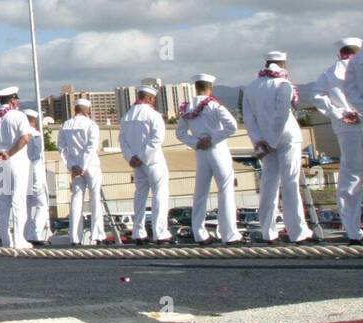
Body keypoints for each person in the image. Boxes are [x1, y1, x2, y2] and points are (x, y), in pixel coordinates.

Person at [243, 52, 313, 244]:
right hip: (286, 137)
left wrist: (259, 141)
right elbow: (282, 114)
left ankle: (268, 232)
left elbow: (249, 119)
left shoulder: (250, 88)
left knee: (268, 185)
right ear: (283, 64)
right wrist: (272, 140)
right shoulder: (284, 84)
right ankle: (297, 232)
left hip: (265, 141)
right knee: (290, 184)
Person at [176, 74, 242, 245]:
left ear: (195, 87)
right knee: (225, 190)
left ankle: (199, 233)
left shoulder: (187, 108)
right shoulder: (213, 105)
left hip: (200, 151)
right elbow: (232, 126)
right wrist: (212, 139)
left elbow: (180, 133)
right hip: (217, 149)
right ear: (210, 88)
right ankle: (229, 234)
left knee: (200, 193)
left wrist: (197, 142)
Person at [316, 38, 363, 244]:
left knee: (350, 178)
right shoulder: (362, 67)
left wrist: (340, 113)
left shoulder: (329, 73)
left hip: (347, 129)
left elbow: (318, 96)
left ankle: (353, 231)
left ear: (339, 53)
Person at [0, 87, 33, 249]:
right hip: (16, 160)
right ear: (12, 100)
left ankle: (5, 240)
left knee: (2, 202)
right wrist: (9, 153)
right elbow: (25, 137)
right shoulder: (18, 116)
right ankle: (19, 239)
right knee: (18, 200)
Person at [120, 84, 171, 244]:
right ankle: (160, 233)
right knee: (160, 195)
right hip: (153, 161)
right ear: (149, 98)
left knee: (140, 196)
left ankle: (138, 232)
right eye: (153, 99)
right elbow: (157, 138)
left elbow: (122, 141)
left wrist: (131, 158)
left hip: (136, 163)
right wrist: (143, 156)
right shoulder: (153, 115)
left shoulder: (126, 117)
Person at [57, 98, 104, 245]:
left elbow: (62, 148)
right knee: (95, 198)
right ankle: (97, 235)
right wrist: (84, 165)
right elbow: (91, 147)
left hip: (75, 167)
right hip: (91, 165)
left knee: (76, 199)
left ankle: (74, 237)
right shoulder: (91, 125)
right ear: (87, 110)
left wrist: (72, 166)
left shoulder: (66, 125)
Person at [24, 110, 50, 245]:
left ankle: (26, 234)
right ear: (34, 120)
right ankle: (36, 234)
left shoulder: (19, 133)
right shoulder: (35, 134)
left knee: (27, 204)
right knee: (42, 204)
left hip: (22, 170)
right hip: (34, 170)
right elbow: (36, 154)